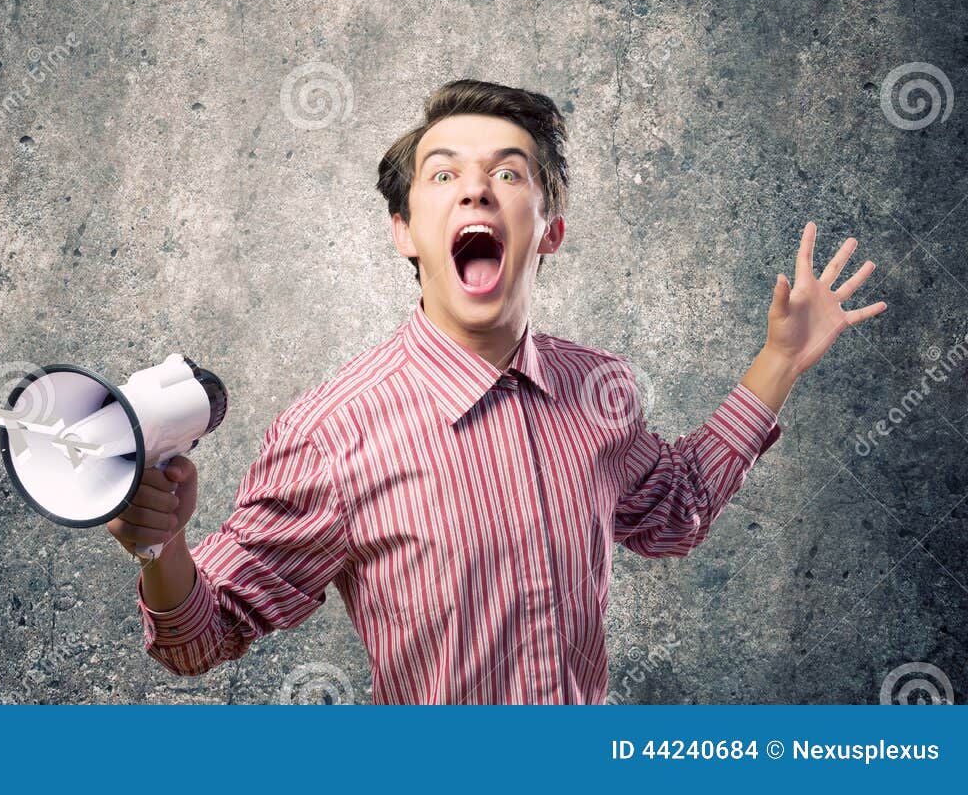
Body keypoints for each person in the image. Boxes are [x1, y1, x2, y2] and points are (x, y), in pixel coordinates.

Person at [107, 79, 887, 704]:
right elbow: (200, 638)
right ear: (405, 230)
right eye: (443, 174)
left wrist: (780, 359)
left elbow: (671, 513)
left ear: (549, 226)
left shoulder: (599, 387)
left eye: (508, 173)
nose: (475, 191)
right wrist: (162, 547)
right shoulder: (333, 433)